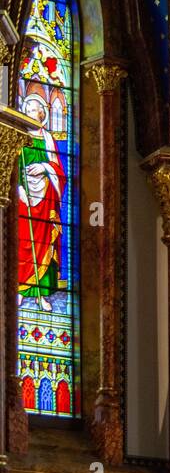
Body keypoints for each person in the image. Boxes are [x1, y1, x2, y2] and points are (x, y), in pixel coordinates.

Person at [18, 94, 66, 313]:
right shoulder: (17, 135)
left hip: (46, 197)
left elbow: (59, 170)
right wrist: (19, 188)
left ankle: (42, 294)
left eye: (33, 110)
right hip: (23, 197)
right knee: (23, 241)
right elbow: (11, 164)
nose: (30, 113)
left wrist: (44, 168)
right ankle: (20, 289)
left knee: (45, 241)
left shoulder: (48, 138)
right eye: (26, 110)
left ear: (42, 114)